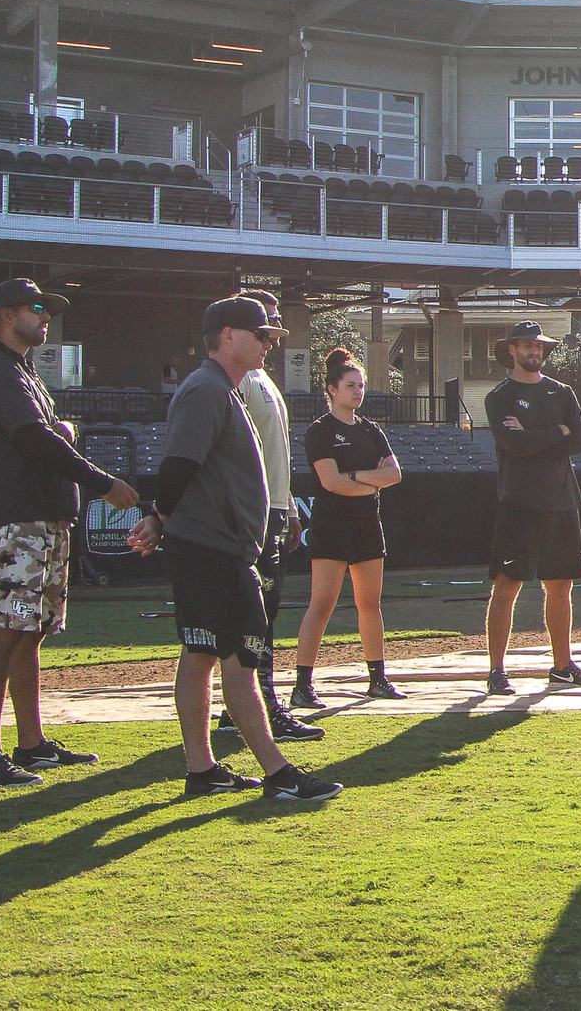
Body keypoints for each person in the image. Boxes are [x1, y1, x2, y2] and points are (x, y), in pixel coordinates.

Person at [126, 296, 340, 801]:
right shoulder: (206, 389)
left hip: (216, 544)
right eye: (259, 334)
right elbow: (179, 463)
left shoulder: (222, 388)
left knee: (202, 653)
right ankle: (277, 773)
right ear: (226, 334)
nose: (269, 343)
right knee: (239, 658)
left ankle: (204, 771)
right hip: (211, 546)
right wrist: (160, 516)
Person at [0, 279, 137, 787]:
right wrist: (101, 482)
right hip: (18, 519)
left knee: (30, 632)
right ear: (7, 313)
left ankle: (30, 744)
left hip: (45, 519)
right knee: (5, 632)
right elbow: (36, 440)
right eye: (38, 308)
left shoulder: (23, 370)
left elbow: (48, 434)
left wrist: (63, 433)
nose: (46, 315)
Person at [215, 290, 324, 742]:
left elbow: (273, 453)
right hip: (251, 515)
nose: (271, 338)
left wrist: (289, 506)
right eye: (263, 328)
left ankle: (241, 708)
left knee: (265, 615)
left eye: (275, 325)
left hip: (275, 509)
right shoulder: (235, 378)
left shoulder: (262, 377)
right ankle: (261, 707)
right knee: (253, 617)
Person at [483, 321, 581, 695]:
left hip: (562, 500)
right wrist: (557, 434)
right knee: (507, 584)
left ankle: (562, 666)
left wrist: (537, 435)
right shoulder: (499, 396)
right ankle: (497, 671)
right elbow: (515, 446)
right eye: (528, 346)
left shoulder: (561, 392)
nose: (535, 352)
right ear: (513, 350)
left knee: (561, 585)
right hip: (519, 501)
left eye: (539, 346)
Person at [289, 349, 403, 705]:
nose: (357, 391)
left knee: (370, 603)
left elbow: (395, 474)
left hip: (367, 523)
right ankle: (303, 686)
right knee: (321, 604)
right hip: (331, 525)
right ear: (332, 389)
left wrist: (354, 476)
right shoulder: (320, 430)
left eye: (361, 385)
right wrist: (370, 482)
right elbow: (330, 482)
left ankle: (378, 679)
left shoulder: (372, 430)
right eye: (350, 385)